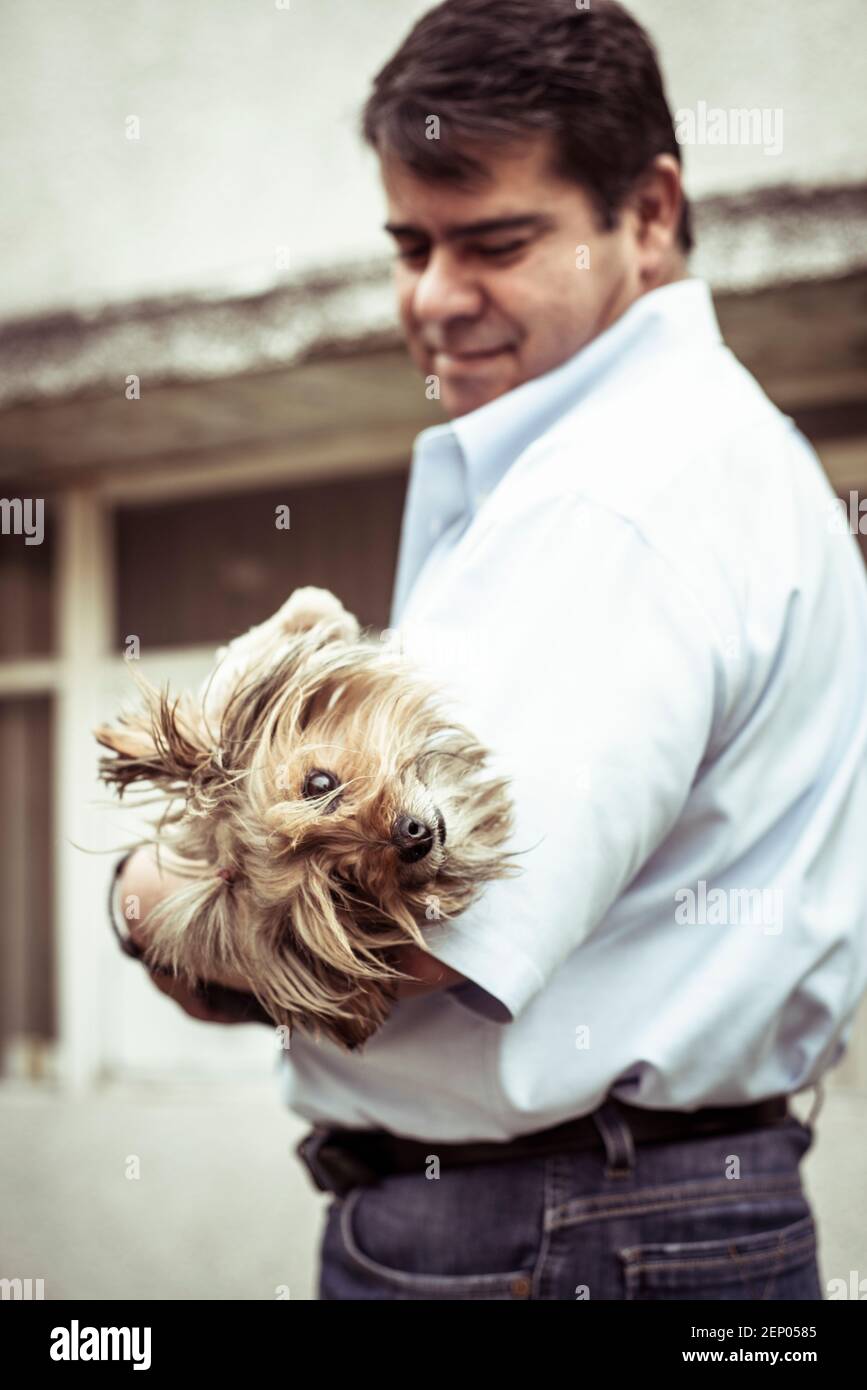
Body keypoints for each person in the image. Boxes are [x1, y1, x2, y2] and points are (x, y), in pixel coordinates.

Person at [113, 0, 867, 1299]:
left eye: (495, 243)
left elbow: (405, 935)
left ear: (647, 209)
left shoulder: (620, 492)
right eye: (410, 244)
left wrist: (151, 900)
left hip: (548, 1234)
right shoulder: (692, 455)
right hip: (604, 1217)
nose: (433, 298)